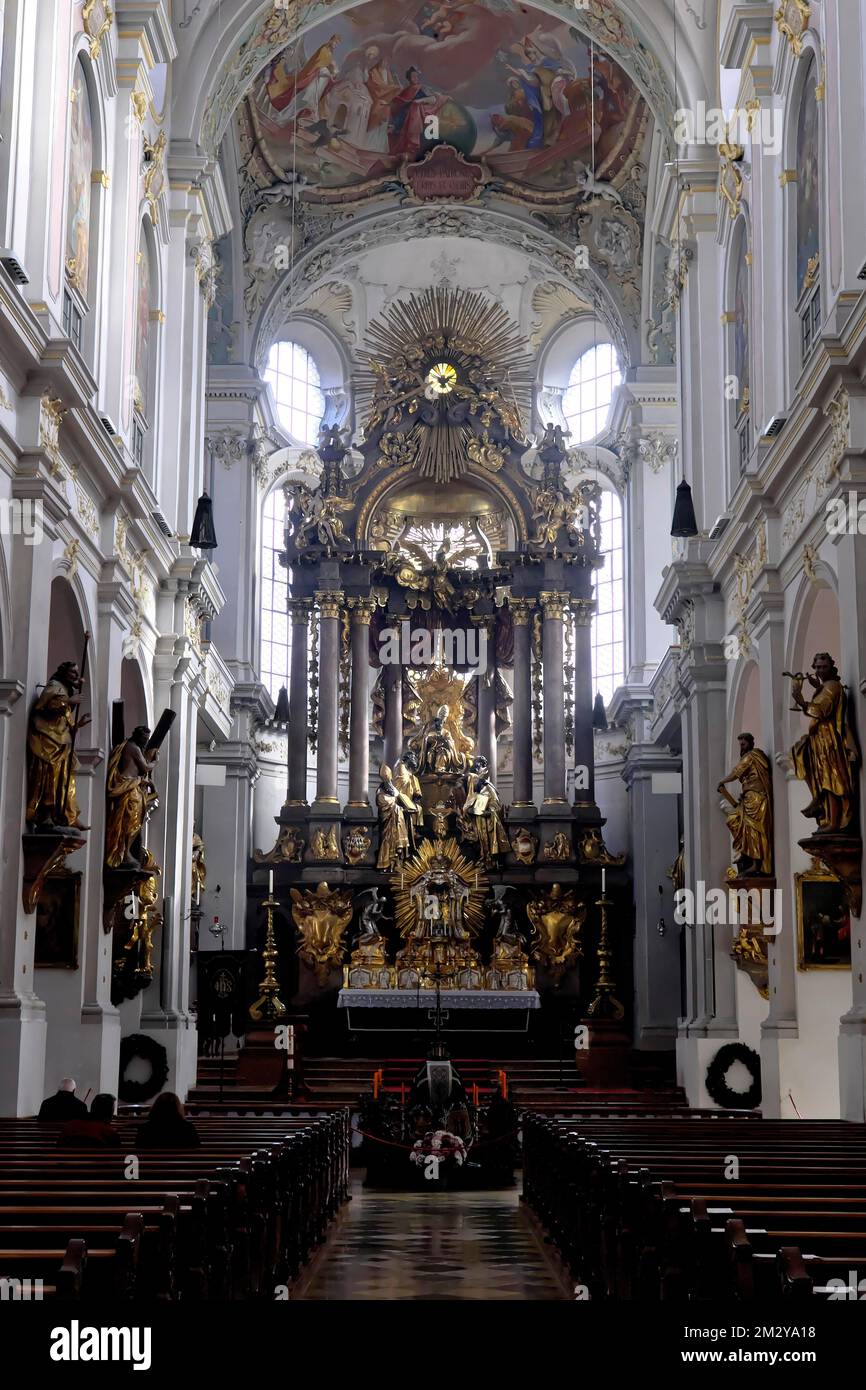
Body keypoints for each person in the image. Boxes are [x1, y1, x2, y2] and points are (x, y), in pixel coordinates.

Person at [136, 1092, 200, 1149]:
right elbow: (197, 1149)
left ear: (156, 1107)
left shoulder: (144, 1129)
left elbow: (137, 1150)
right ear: (178, 1108)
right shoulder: (189, 1128)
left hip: (151, 1162)